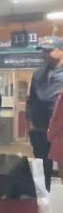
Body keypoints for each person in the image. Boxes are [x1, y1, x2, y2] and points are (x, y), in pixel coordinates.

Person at [28, 37, 63, 190]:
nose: (45, 54)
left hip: (60, 127)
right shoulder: (38, 74)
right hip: (41, 128)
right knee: (42, 170)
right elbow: (32, 99)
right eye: (43, 51)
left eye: (50, 50)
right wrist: (31, 123)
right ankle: (43, 205)